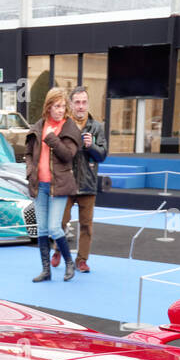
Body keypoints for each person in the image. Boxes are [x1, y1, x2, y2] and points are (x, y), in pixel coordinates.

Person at [23, 88, 80, 283]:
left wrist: (51, 138)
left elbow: (68, 156)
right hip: (40, 185)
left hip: (60, 186)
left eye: (63, 106)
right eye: (57, 106)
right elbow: (28, 152)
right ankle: (46, 270)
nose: (60, 110)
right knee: (42, 229)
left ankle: (69, 263)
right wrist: (30, 170)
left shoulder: (70, 128)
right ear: (48, 107)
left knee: (55, 228)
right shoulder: (38, 126)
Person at [50, 85, 107, 274]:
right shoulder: (63, 125)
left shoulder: (97, 127)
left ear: (88, 104)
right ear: (71, 104)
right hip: (66, 183)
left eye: (84, 102)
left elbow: (102, 155)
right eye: (77, 102)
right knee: (60, 222)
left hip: (88, 185)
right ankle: (57, 250)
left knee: (86, 226)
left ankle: (82, 260)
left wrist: (91, 147)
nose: (81, 106)